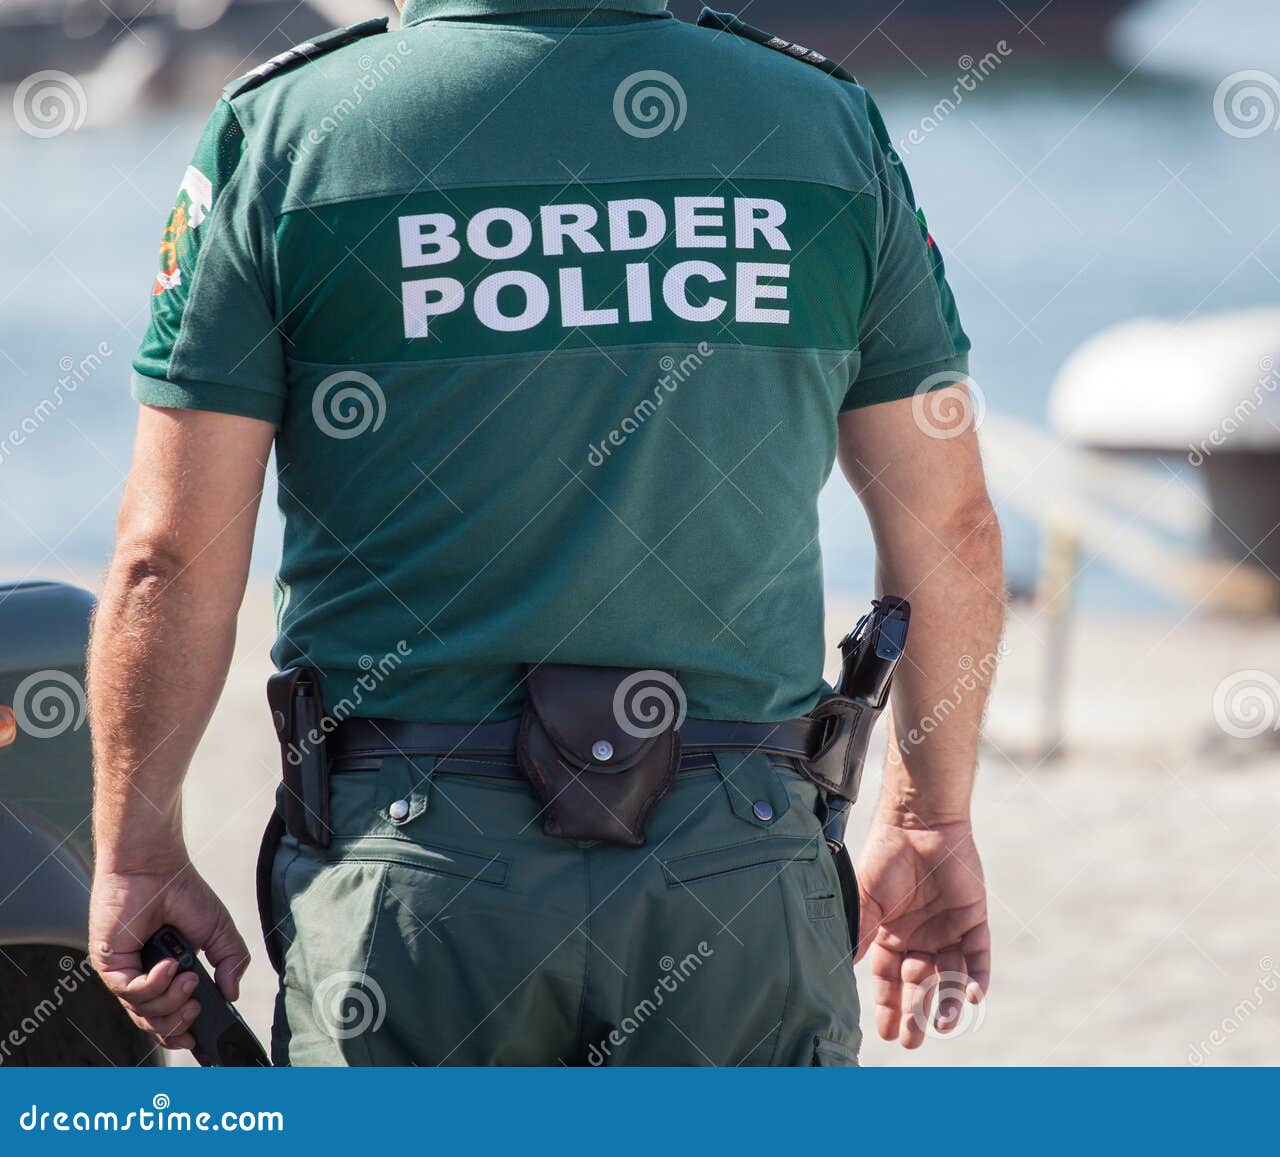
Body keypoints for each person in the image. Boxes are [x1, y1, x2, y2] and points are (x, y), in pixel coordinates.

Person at [88, 0, 1003, 1066]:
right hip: (737, 855)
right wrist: (930, 816)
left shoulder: (290, 133)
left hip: (416, 869)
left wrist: (137, 844)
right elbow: (953, 526)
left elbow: (168, 557)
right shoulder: (821, 126)